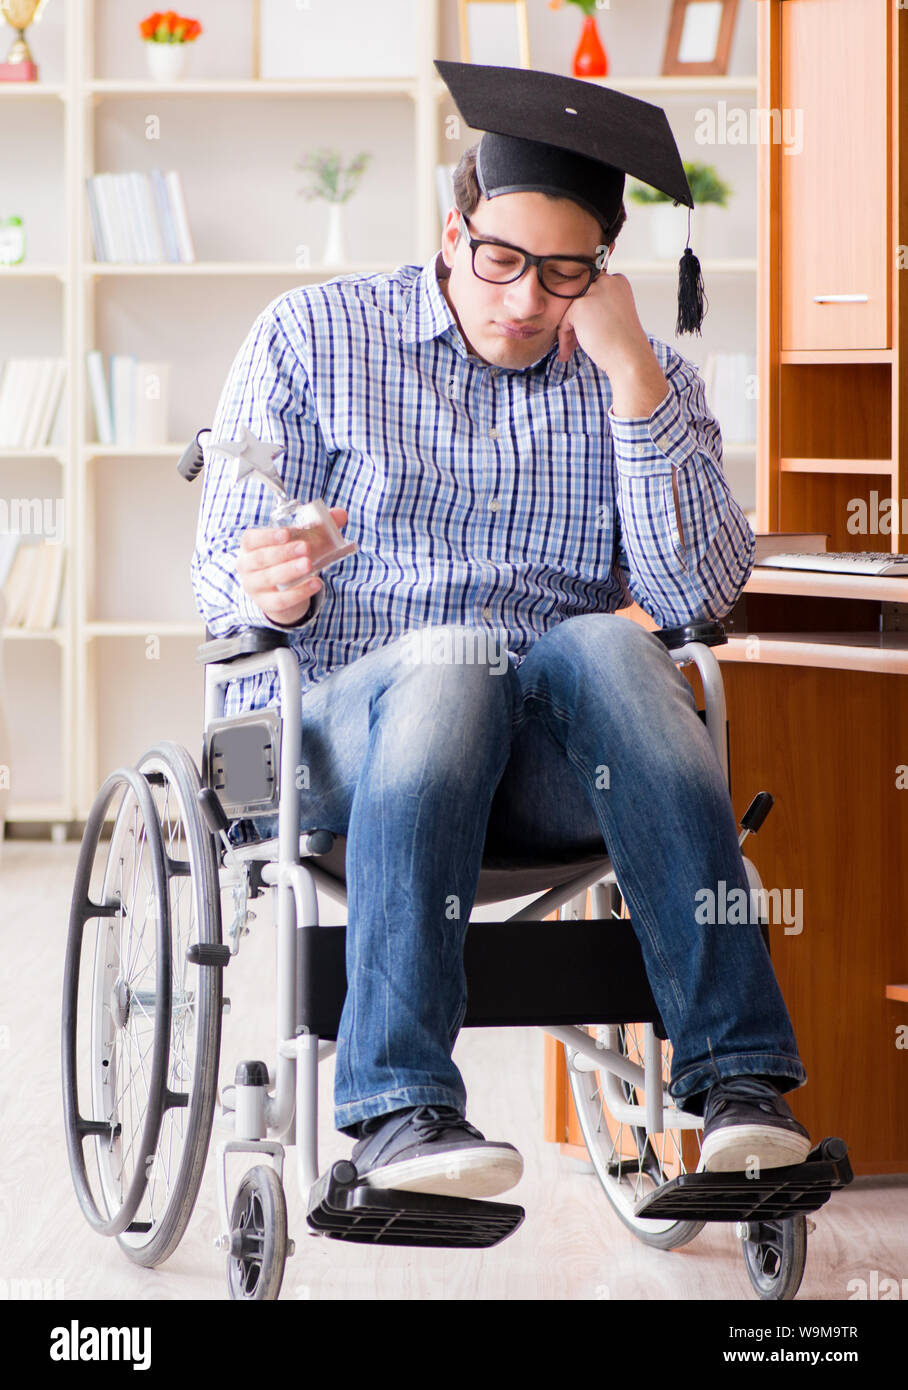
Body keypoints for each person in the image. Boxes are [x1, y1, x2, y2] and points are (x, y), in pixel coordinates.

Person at [191, 62, 810, 1200]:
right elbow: (221, 578)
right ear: (452, 231)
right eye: (501, 260)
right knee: (452, 658)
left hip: (534, 767)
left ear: (603, 274)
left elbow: (697, 600)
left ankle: (736, 1081)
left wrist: (630, 376)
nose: (524, 301)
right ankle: (395, 1105)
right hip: (340, 739)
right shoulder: (313, 337)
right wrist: (275, 584)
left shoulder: (639, 373)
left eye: (564, 275)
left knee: (612, 644)